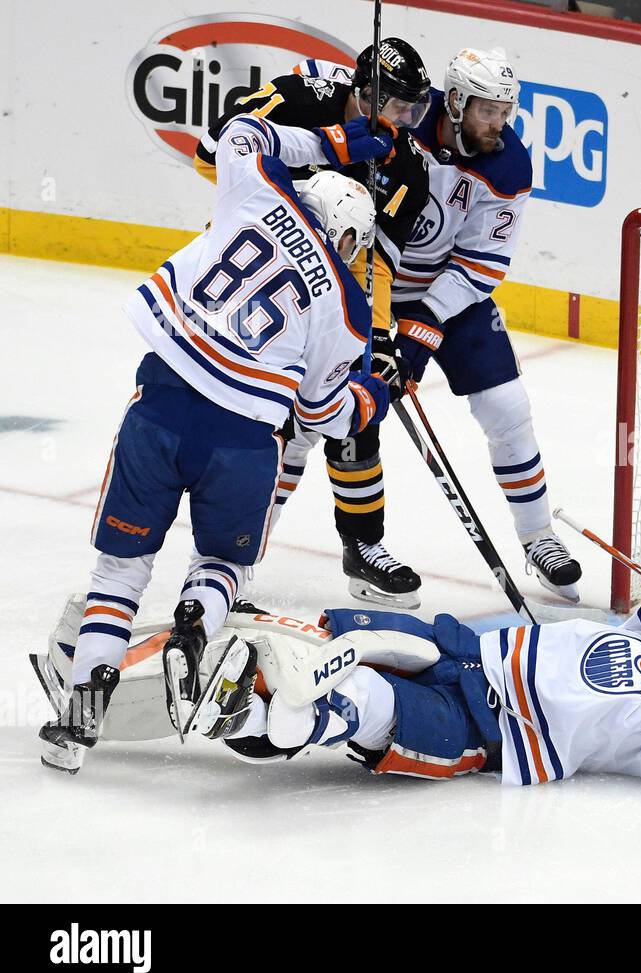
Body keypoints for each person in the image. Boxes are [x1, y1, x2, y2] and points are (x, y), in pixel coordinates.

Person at [39, 114, 393, 774]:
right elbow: (322, 412)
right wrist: (374, 393)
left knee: (120, 571)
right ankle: (194, 628)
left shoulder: (257, 189)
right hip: (246, 440)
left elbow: (238, 130)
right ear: (346, 234)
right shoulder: (346, 303)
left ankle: (80, 713)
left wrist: (331, 142)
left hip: (163, 407)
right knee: (224, 565)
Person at [37, 576, 641, 797]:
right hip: (468, 650)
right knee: (330, 634)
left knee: (364, 706)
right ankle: (143, 666)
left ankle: (260, 710)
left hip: (485, 731)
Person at [338, 49, 586, 602]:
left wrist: (421, 331)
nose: (499, 123)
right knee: (324, 421)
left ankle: (538, 536)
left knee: (508, 409)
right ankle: (245, 561)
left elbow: (480, 264)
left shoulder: (509, 166)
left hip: (451, 295)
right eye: (486, 111)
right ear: (454, 101)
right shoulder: (405, 123)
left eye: (506, 111)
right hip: (371, 284)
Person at [197, 39, 434, 609]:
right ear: (366, 92)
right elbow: (213, 151)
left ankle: (363, 547)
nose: (407, 122)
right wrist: (315, 156)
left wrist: (379, 341)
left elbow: (376, 262)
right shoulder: (302, 99)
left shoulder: (405, 167)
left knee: (354, 419)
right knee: (268, 428)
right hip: (262, 286)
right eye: (399, 106)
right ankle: (232, 565)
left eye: (415, 110)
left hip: (334, 306)